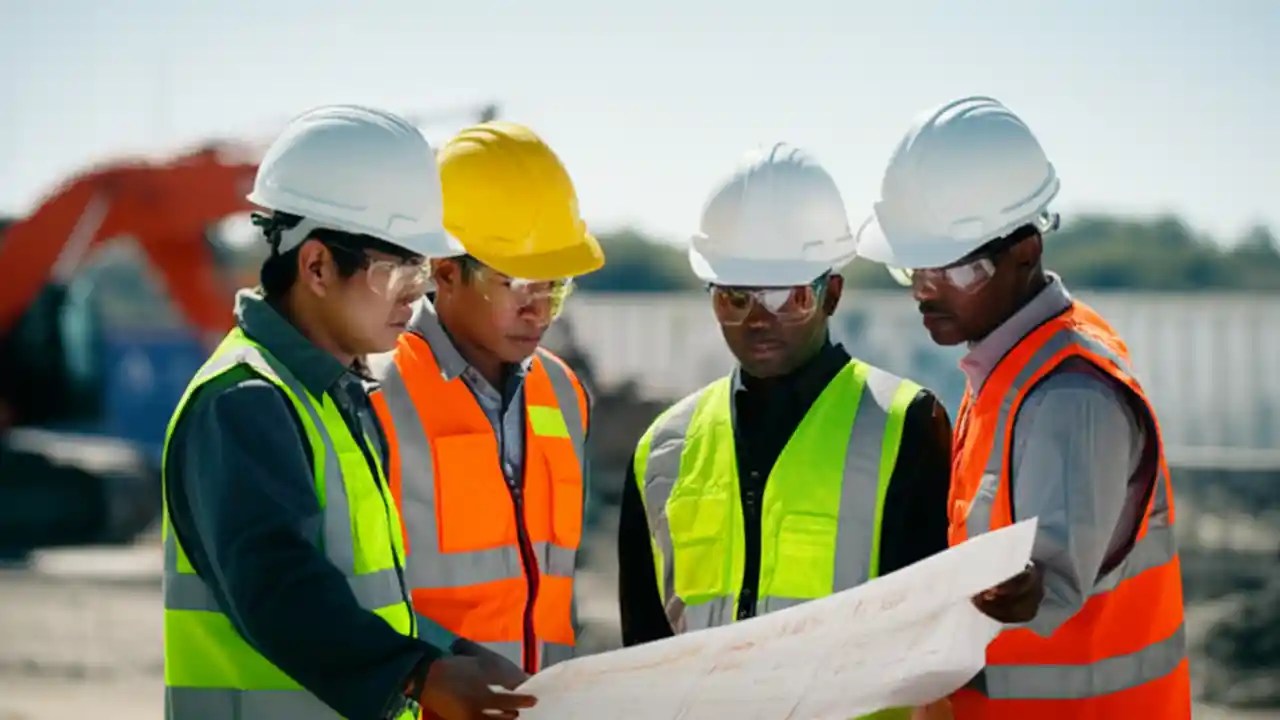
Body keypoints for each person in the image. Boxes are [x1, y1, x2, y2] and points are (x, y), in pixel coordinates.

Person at [161, 105, 537, 720]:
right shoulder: (244, 401)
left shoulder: (335, 396)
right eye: (397, 268)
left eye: (422, 267)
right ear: (315, 266)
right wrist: (420, 674)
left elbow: (362, 598)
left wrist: (450, 652)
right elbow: (278, 588)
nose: (418, 293)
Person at [855, 95, 1190, 719]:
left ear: (1025, 255)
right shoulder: (1010, 365)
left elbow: (1047, 587)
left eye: (950, 271)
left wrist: (1027, 588)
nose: (924, 290)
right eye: (912, 269)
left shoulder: (1068, 395)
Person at [616, 143, 955, 720]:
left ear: (833, 294)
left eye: (788, 296)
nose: (758, 318)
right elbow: (643, 657)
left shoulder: (906, 425)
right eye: (736, 297)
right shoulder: (662, 452)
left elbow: (936, 653)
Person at [369, 121, 602, 679]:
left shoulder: (564, 393)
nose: (540, 310)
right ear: (444, 271)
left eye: (555, 286)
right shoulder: (373, 389)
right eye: (521, 284)